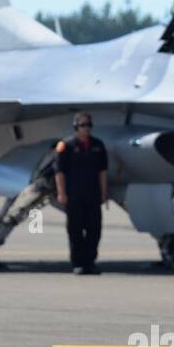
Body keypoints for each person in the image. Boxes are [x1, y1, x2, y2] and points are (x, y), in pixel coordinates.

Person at [54, 113, 109, 275]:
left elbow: (102, 171)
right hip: (74, 195)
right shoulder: (66, 146)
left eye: (88, 125)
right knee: (75, 230)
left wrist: (104, 192)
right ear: (76, 127)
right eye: (83, 125)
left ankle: (90, 262)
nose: (86, 128)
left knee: (95, 230)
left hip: (92, 194)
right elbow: (59, 171)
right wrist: (61, 192)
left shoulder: (98, 145)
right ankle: (78, 263)